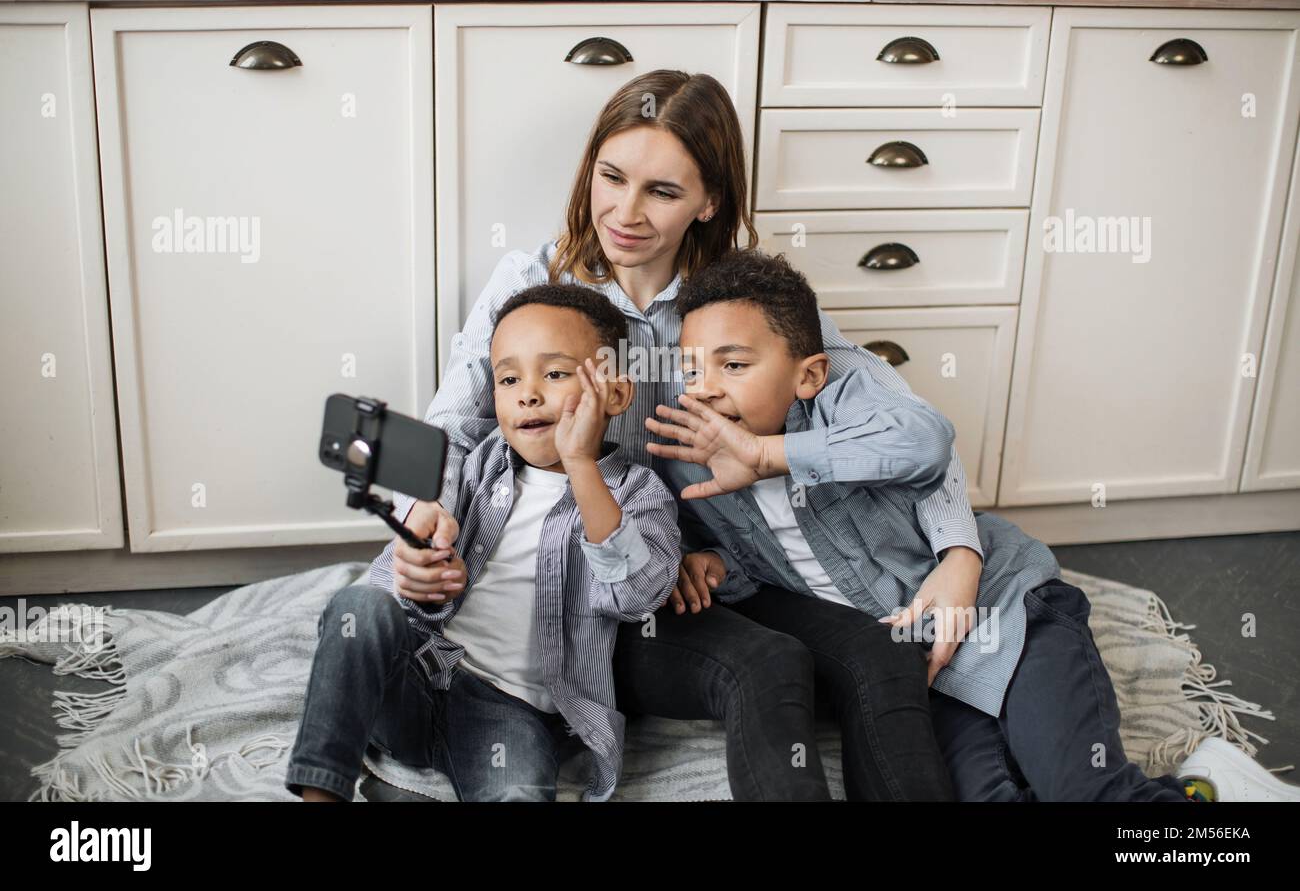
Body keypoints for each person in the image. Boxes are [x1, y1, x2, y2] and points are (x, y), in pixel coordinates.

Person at [391, 68, 987, 799]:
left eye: (663, 192)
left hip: (717, 570)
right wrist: (427, 516)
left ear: (709, 202)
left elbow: (898, 416)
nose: (625, 212)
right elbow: (454, 420)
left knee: (868, 653)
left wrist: (960, 549)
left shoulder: (735, 303)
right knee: (765, 666)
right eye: (611, 177)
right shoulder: (531, 282)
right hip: (592, 577)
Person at [649, 249, 1295, 802]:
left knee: (1082, 789)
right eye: (693, 368)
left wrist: (769, 455)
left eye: (734, 366)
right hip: (924, 671)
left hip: (1008, 617)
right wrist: (710, 564)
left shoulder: (840, 402)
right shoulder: (691, 463)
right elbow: (756, 566)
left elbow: (924, 442)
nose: (706, 388)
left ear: (808, 374)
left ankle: (1205, 787)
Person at [285, 283, 678, 801]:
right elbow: (394, 578)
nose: (528, 393)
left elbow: (636, 593)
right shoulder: (480, 468)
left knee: (518, 791)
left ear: (616, 394)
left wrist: (581, 463)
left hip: (508, 710)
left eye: (555, 374)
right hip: (420, 674)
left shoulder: (636, 492)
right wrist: (416, 576)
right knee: (358, 604)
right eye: (509, 378)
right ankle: (322, 794)